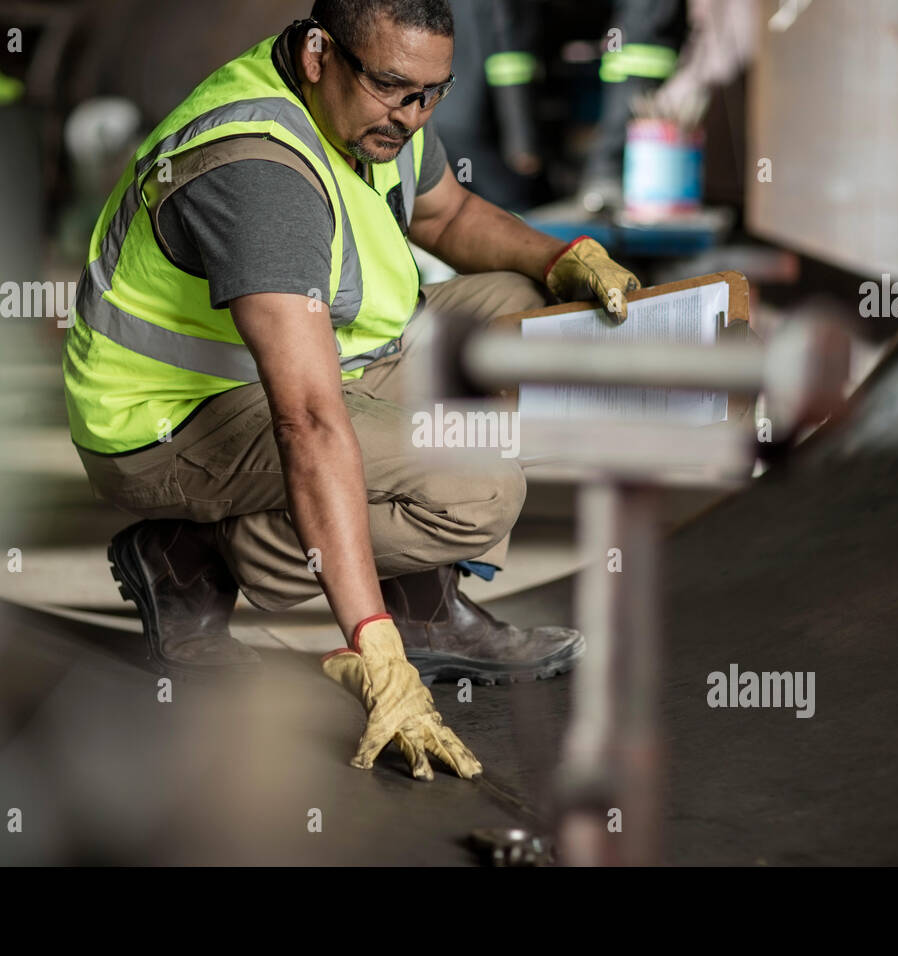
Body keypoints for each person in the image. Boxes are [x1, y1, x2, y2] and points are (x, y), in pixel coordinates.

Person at [61, 0, 640, 781]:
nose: (412, 117)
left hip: (315, 364)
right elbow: (308, 421)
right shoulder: (259, 176)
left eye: (432, 94)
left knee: (524, 314)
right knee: (479, 491)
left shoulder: (375, 101)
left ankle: (428, 604)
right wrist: (375, 651)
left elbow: (449, 210)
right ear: (316, 54)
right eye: (397, 90)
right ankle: (197, 556)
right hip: (171, 422)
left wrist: (564, 257)